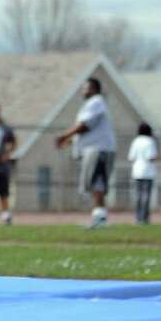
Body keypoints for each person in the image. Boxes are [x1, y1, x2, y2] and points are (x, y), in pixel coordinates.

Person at [55, 77, 117, 229]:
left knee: (97, 183)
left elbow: (85, 125)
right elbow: (86, 129)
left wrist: (64, 135)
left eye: (86, 88)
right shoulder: (92, 104)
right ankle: (99, 217)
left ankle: (99, 218)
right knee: (97, 183)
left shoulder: (96, 101)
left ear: (94, 89)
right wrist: (70, 140)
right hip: (96, 149)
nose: (83, 91)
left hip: (98, 149)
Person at [128, 122, 160, 225]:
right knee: (146, 196)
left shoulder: (136, 141)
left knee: (138, 196)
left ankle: (138, 218)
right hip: (148, 172)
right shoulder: (150, 141)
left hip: (137, 171)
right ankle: (144, 218)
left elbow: (131, 157)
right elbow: (151, 157)